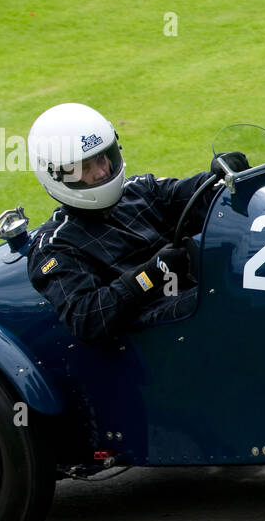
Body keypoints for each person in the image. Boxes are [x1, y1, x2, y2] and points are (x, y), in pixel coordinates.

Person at [25, 102, 215, 344]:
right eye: (85, 167)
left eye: (102, 159)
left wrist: (220, 178)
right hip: (155, 336)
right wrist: (150, 274)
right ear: (56, 175)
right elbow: (86, 318)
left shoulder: (140, 191)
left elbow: (189, 194)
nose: (102, 172)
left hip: (200, 302)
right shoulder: (55, 246)